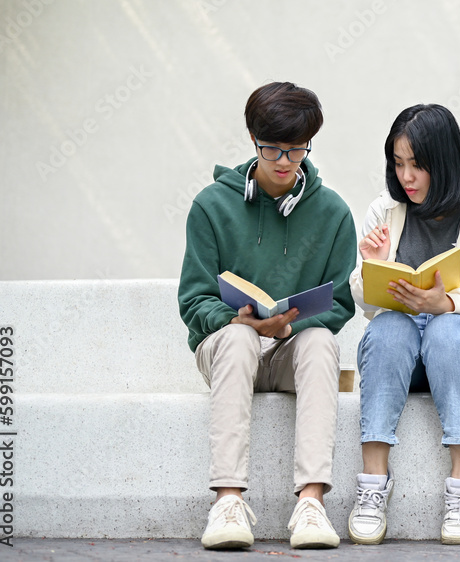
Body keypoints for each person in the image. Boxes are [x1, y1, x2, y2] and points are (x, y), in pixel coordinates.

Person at [177, 82, 356, 550]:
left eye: (296, 151)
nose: (283, 161)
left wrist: (290, 325)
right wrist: (241, 322)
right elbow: (194, 301)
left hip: (291, 348)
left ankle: (312, 505)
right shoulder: (211, 205)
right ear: (253, 139)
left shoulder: (333, 212)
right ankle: (228, 502)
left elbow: (339, 303)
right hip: (229, 347)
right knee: (238, 342)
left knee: (321, 343)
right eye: (272, 148)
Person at [347, 104, 460, 545]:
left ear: (445, 162)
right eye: (398, 164)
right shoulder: (384, 209)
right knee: (389, 327)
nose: (407, 177)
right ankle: (373, 484)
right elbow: (363, 301)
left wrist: (445, 302)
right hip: (399, 353)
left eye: (417, 165)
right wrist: (371, 267)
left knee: (447, 328)